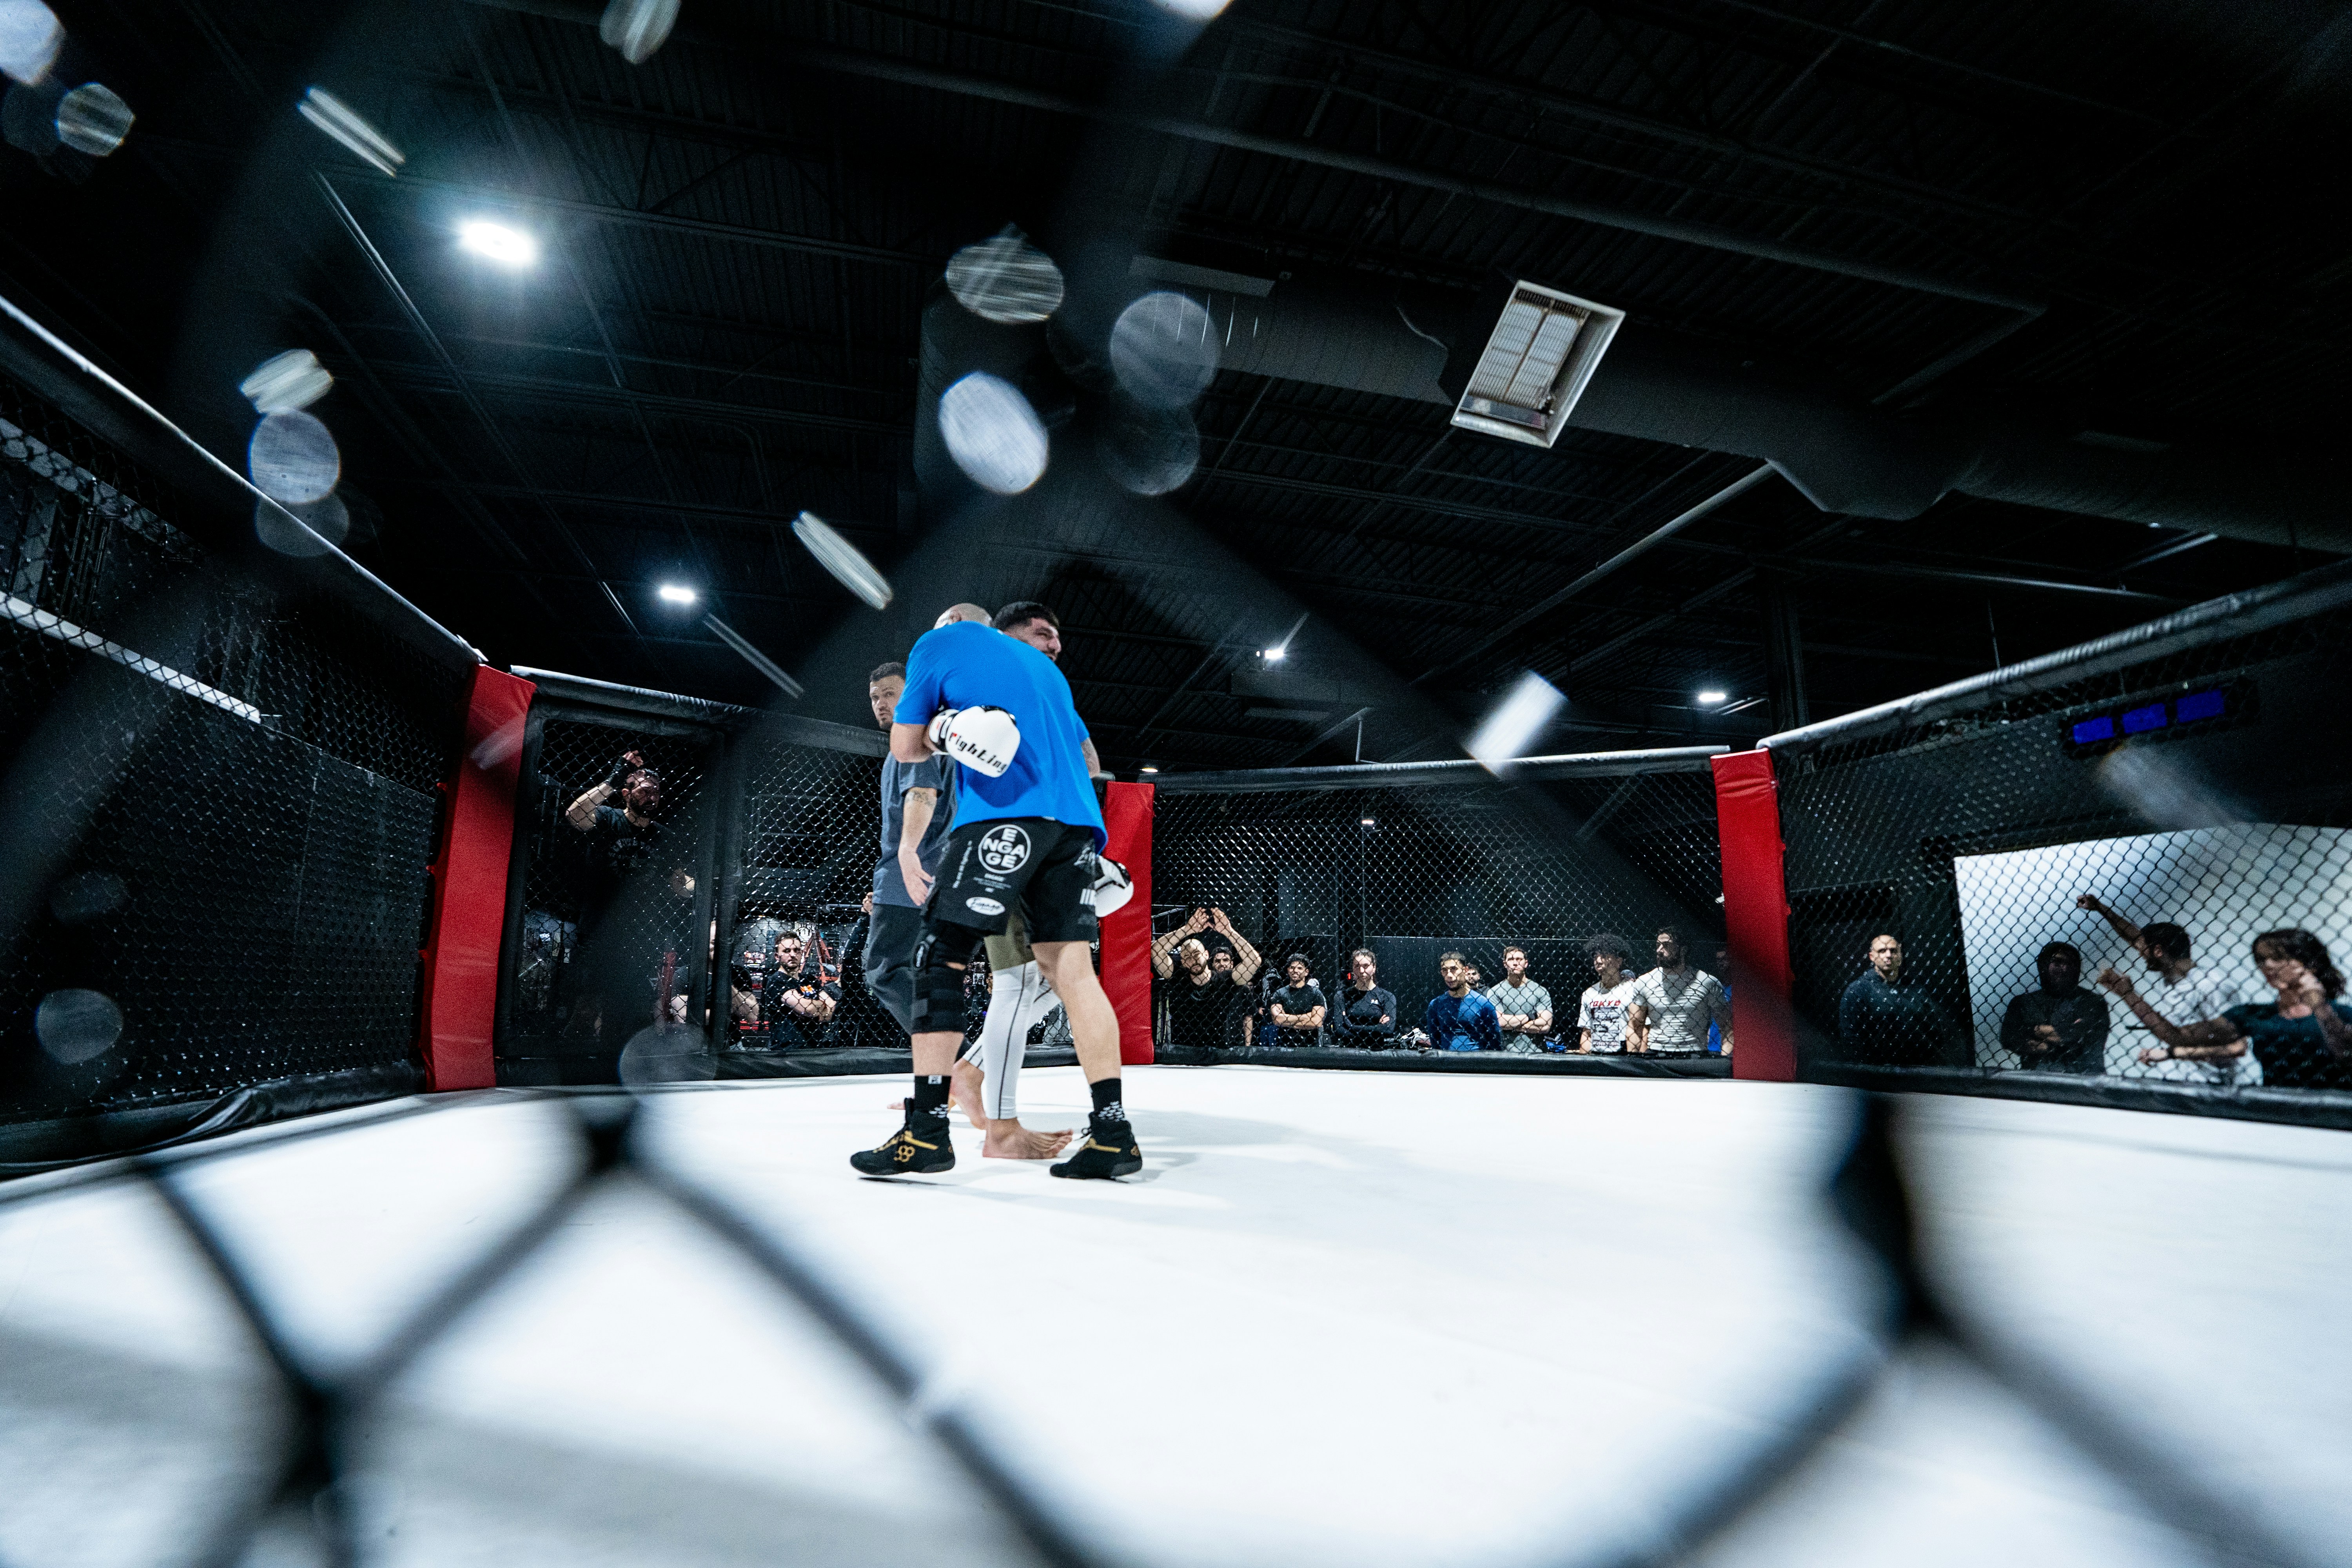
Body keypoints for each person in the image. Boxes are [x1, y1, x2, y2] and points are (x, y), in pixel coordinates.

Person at [854, 603, 1139, 1179]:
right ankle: (1113, 1134)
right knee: (1071, 970)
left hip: (1003, 816)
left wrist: (941, 729)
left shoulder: (939, 644)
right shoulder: (1049, 674)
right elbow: (1089, 759)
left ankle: (927, 1131)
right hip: (1077, 824)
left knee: (940, 957)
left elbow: (905, 747)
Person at [2101, 927, 2352, 1091]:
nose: (2268, 965)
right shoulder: (2254, 1015)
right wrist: (2128, 995)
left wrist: (2319, 1005)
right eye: (2261, 959)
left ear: (2308, 963)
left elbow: (2346, 1057)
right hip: (2279, 1109)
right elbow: (2176, 1036)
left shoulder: (2344, 1015)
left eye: (2278, 957)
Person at [862, 661, 955, 1038]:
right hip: (932, 876)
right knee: (924, 973)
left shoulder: (913, 738)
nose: (881, 704)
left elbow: (923, 794)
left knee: (884, 971)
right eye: (875, 697)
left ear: (913, 693)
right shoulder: (935, 738)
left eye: (890, 694)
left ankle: (952, 1057)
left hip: (910, 875)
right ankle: (947, 1060)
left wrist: (907, 853)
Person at [2075, 894, 2254, 1087]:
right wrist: (2101, 908)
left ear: (2159, 951)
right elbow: (2135, 938)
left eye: (2144, 950)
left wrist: (2170, 1053)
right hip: (2177, 1084)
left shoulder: (2211, 984)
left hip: (2213, 1086)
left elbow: (2238, 1047)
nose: (2140, 954)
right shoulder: (2172, 980)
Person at [1152, 909, 1260, 1052]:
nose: (1193, 960)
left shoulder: (1225, 979)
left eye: (1197, 954)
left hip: (1220, 1053)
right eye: (1187, 957)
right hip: (1185, 1054)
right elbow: (1156, 951)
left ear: (1206, 954)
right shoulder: (1179, 978)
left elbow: (1254, 961)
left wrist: (1229, 932)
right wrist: (1187, 930)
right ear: (1183, 962)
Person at [1838, 934, 1956, 1065]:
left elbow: (1934, 1027)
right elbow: (1850, 1035)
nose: (1889, 955)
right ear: (1872, 957)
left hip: (1919, 1066)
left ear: (1900, 955)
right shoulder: (1859, 990)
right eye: (1882, 951)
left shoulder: (1915, 987)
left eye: (1893, 951)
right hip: (1880, 1068)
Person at [1997, 942, 2109, 1073]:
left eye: (2071, 964)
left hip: (2083, 1077)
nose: (2065, 969)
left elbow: (2071, 1035)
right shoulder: (2023, 1002)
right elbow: (2009, 1038)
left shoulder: (2092, 1001)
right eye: (2057, 962)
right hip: (2034, 1077)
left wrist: (2029, 1030)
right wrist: (2056, 1041)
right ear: (2044, 965)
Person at [1628, 927, 1731, 1057]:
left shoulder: (1707, 982)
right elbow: (1635, 1026)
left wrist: (1725, 1059)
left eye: (1667, 945)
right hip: (1657, 1053)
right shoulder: (1644, 982)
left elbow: (1727, 1026)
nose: (1659, 950)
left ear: (1682, 950)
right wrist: (1633, 1059)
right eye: (1658, 945)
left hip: (1694, 1054)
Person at [733, 929, 838, 1050]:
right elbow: (807, 1009)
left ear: (801, 954)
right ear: (777, 956)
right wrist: (821, 1007)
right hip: (787, 1051)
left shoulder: (809, 979)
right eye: (787, 951)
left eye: (797, 950)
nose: (793, 955)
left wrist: (813, 1010)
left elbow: (831, 1009)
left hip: (815, 1047)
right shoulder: (777, 981)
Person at [1426, 951, 1501, 1052]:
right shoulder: (1436, 1004)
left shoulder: (1483, 1003)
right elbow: (1435, 1040)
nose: (1449, 975)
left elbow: (1494, 1041)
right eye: (1445, 970)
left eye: (1454, 969)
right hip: (1446, 1060)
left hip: (1476, 1060)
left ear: (1465, 970)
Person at [1487, 944, 1554, 1055]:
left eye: (1519, 959)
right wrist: (1528, 1017)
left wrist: (1512, 1026)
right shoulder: (1495, 991)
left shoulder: (1540, 991)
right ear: (1505, 964)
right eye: (1511, 959)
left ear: (1526, 963)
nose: (1515, 963)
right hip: (1506, 1054)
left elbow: (1545, 1025)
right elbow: (1498, 1022)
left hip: (1536, 1054)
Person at [1578, 933, 1638, 1054]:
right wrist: (1583, 1060)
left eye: (1604, 956)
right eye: (1595, 957)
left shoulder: (1633, 990)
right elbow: (1587, 1033)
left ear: (1618, 962)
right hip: (1597, 1052)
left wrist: (1635, 1060)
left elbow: (1638, 1028)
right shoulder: (1589, 993)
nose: (1598, 960)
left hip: (1623, 1052)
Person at [1328, 949, 1398, 1048]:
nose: (1361, 971)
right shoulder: (1342, 996)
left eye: (1366, 966)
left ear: (1374, 968)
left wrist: (1350, 1026)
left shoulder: (1387, 997)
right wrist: (1377, 1029)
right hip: (1349, 1050)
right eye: (1357, 966)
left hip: (1377, 1051)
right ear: (1353, 969)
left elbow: (1388, 1029)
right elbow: (1339, 1030)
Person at [1266, 955, 1327, 1046]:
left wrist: (1287, 1019)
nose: (1295, 971)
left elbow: (1317, 1022)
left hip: (1311, 1046)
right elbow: (1278, 1020)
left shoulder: (1316, 993)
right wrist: (1308, 1017)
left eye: (1300, 968)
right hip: (1286, 1046)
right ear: (1288, 970)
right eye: (1292, 968)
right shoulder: (1280, 993)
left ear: (1306, 972)